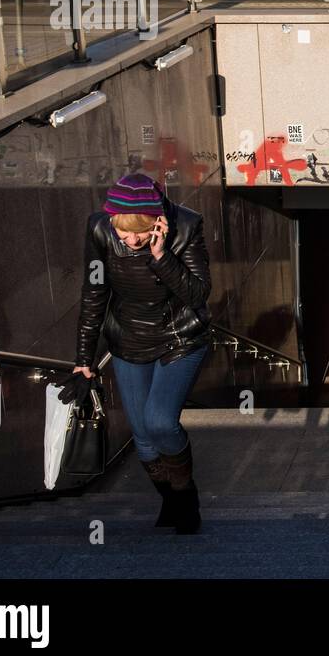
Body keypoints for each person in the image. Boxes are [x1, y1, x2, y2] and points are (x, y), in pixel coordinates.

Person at [63, 173, 212, 535]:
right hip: (128, 339)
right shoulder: (99, 230)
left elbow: (198, 294)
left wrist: (160, 256)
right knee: (143, 433)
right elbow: (94, 293)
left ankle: (186, 496)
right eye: (123, 233)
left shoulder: (186, 226)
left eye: (140, 234)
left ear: (157, 221)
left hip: (180, 338)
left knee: (161, 422)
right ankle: (171, 501)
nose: (131, 241)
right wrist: (84, 360)